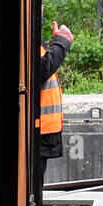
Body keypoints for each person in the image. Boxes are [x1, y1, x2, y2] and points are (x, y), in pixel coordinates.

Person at [38, 18, 74, 179]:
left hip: (41, 129)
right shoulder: (24, 37)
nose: (42, 7)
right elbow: (38, 73)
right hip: (36, 129)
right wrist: (61, 43)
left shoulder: (32, 37)